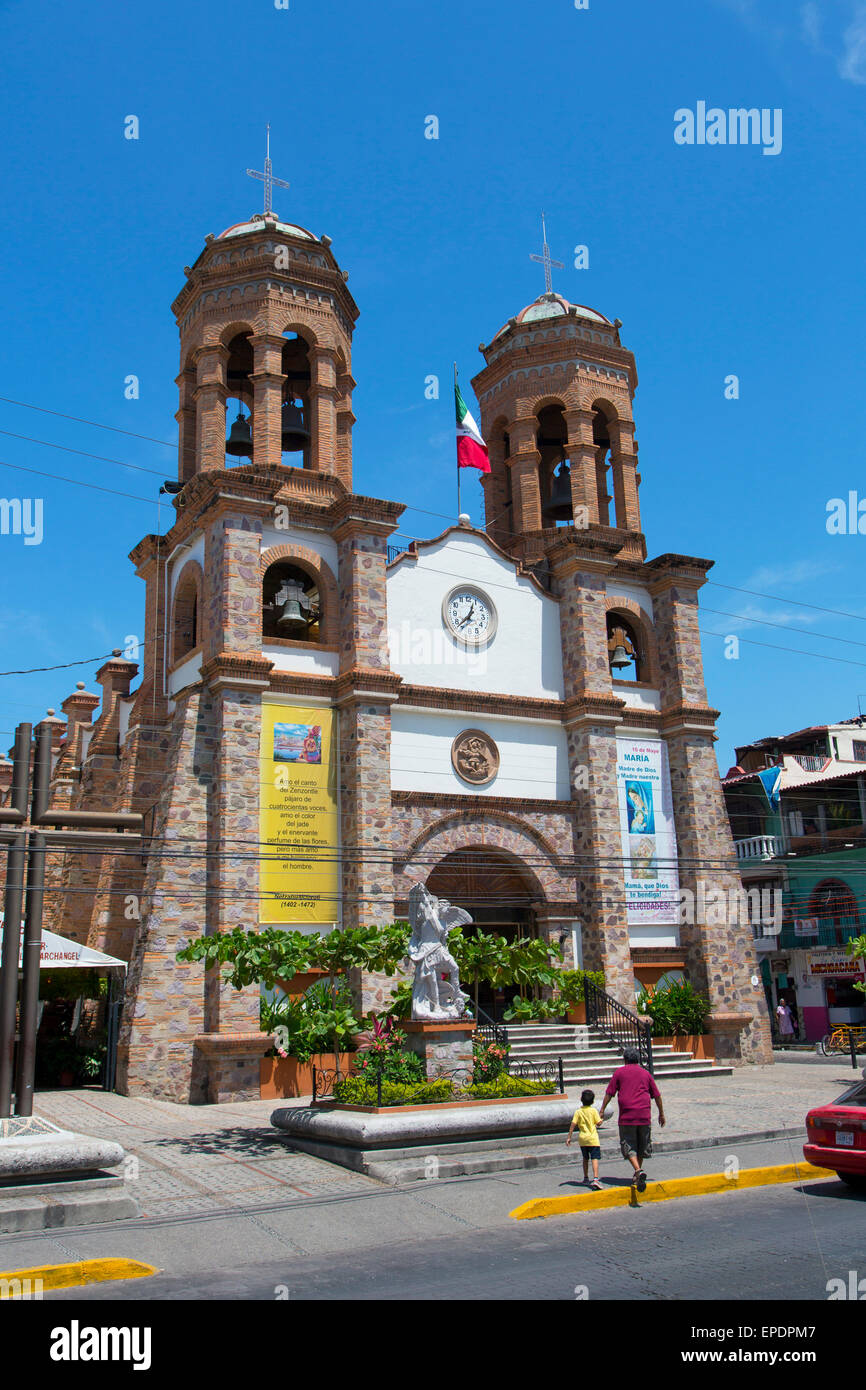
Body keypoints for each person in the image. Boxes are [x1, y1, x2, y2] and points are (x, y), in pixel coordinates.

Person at [598, 1047, 665, 1192]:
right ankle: (637, 1174)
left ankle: (638, 1171)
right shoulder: (645, 1074)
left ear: (625, 1059)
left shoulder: (619, 1073)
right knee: (641, 1146)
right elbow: (657, 1095)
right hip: (644, 1115)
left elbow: (609, 1093)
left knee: (628, 1146)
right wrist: (661, 1113)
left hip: (627, 1117)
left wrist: (602, 1109)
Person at [566, 1087, 604, 1190]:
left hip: (582, 1139)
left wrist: (569, 1137)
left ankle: (586, 1177)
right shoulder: (593, 1111)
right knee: (594, 1158)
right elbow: (599, 1123)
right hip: (593, 1139)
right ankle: (596, 1179)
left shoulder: (578, 1112)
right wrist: (601, 1119)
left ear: (581, 1099)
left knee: (585, 1158)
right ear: (593, 1101)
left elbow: (573, 1124)